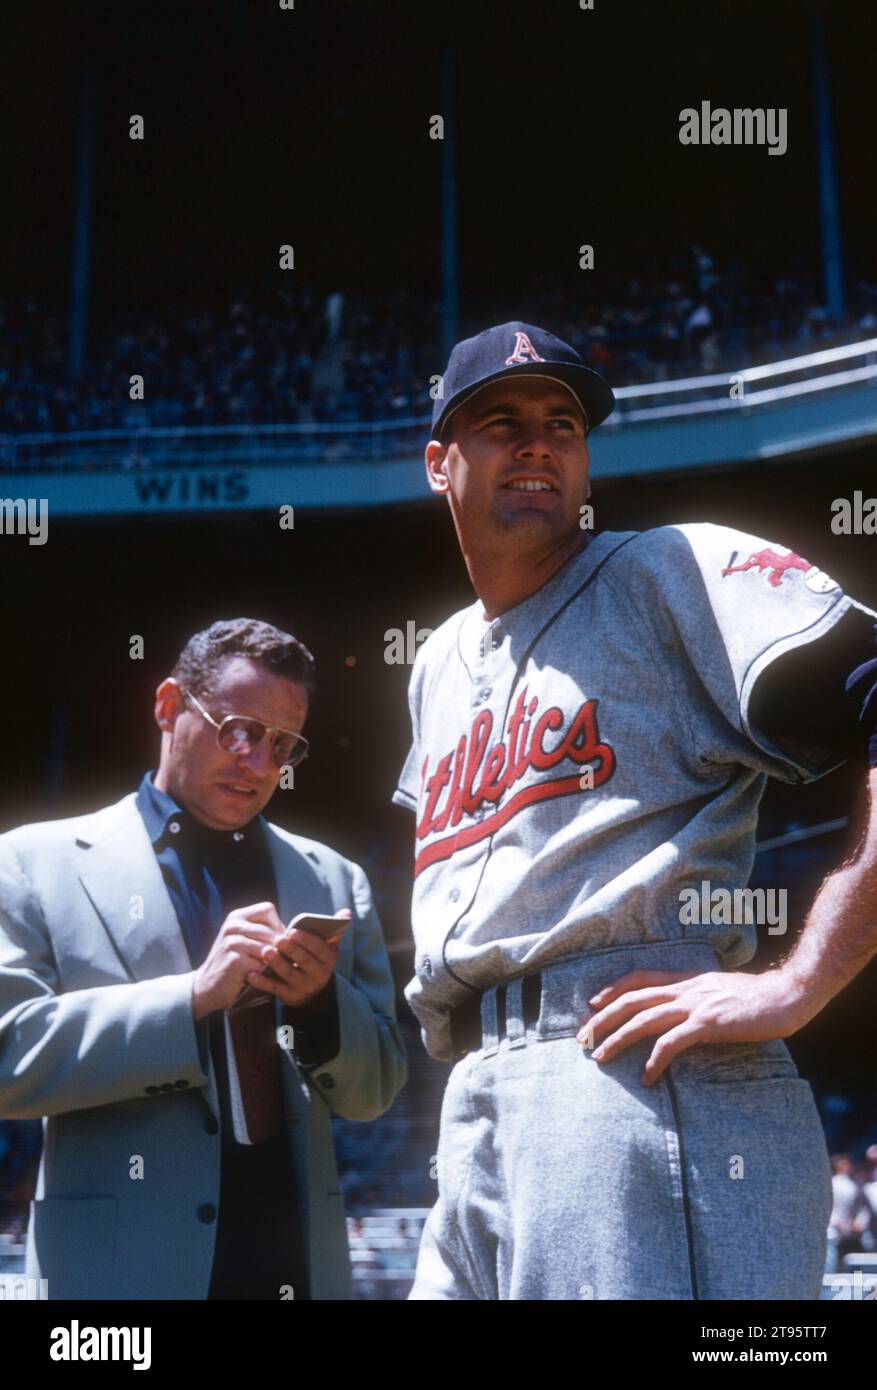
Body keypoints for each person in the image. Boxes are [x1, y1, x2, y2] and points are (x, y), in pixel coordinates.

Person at [392, 320, 877, 1300]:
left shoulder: (671, 569)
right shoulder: (439, 660)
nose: (537, 440)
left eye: (561, 421)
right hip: (474, 1094)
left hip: (631, 1070)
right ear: (439, 463)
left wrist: (797, 981)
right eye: (501, 421)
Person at [0, 618, 406, 1299]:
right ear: (167, 707)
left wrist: (318, 1008)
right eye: (240, 730)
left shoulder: (334, 882)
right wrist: (190, 999)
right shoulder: (29, 862)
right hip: (117, 1288)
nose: (259, 764)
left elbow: (375, 1092)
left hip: (295, 1270)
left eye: (283, 746)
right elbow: (8, 1059)